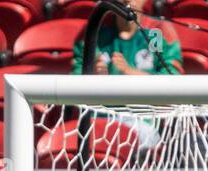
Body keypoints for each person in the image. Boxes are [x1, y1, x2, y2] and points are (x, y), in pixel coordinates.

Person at [70, 0, 182, 150]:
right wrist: (91, 75)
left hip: (142, 121)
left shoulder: (157, 32)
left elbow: (173, 84)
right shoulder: (95, 29)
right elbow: (75, 79)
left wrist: (132, 73)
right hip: (97, 120)